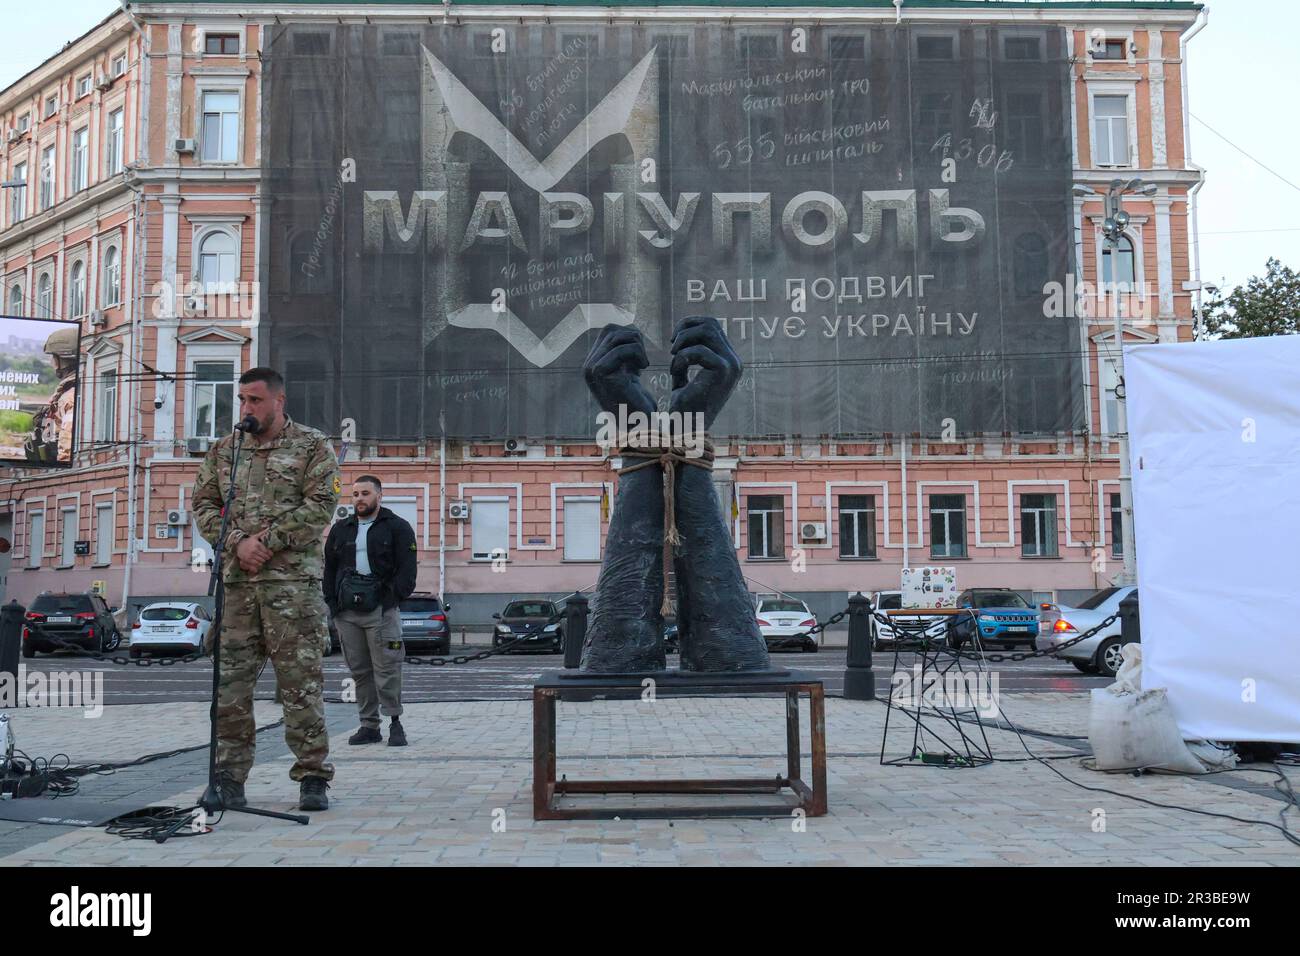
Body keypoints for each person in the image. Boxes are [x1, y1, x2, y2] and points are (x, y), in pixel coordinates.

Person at [192, 367, 341, 812]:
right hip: (237, 588)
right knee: (230, 688)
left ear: (279, 400)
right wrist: (238, 543)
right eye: (241, 400)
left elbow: (321, 506)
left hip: (292, 588)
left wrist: (266, 543)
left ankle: (313, 776)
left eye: (254, 400)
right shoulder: (225, 451)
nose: (245, 409)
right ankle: (228, 779)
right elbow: (202, 504)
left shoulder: (313, 446)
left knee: (300, 687)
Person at [324, 475, 418, 746]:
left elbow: (407, 571)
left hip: (381, 611)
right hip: (347, 613)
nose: (359, 499)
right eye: (355, 494)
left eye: (365, 493)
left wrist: (389, 599)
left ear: (379, 495)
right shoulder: (341, 528)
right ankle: (369, 725)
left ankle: (395, 722)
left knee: (387, 667)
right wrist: (333, 604)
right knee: (360, 671)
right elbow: (329, 568)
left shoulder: (397, 527)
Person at [25, 326, 78, 464]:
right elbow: (53, 435)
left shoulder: (70, 397)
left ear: (63, 359)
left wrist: (60, 468)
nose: (51, 362)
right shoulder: (64, 393)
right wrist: (44, 425)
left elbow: (67, 444)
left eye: (53, 357)